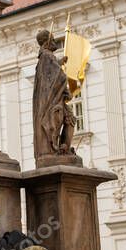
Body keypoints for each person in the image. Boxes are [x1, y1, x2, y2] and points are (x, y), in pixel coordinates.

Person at [33, 29, 75, 162]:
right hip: (52, 101)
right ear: (47, 41)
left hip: (51, 100)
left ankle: (64, 147)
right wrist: (66, 89)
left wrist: (60, 62)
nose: (55, 41)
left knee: (68, 119)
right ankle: (61, 147)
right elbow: (57, 76)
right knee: (64, 121)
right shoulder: (47, 56)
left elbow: (52, 73)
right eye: (52, 39)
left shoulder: (44, 57)